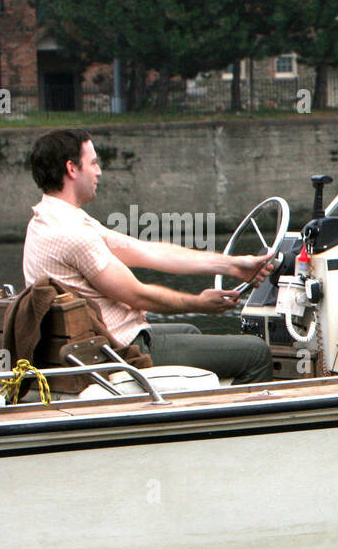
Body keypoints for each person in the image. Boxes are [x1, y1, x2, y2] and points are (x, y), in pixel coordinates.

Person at [22, 129, 276, 384]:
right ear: (72, 168)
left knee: (190, 330)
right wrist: (199, 303)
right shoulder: (74, 235)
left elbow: (148, 252)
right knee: (256, 352)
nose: (98, 172)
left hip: (92, 343)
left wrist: (232, 265)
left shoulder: (49, 220)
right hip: (117, 350)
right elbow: (137, 294)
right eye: (93, 163)